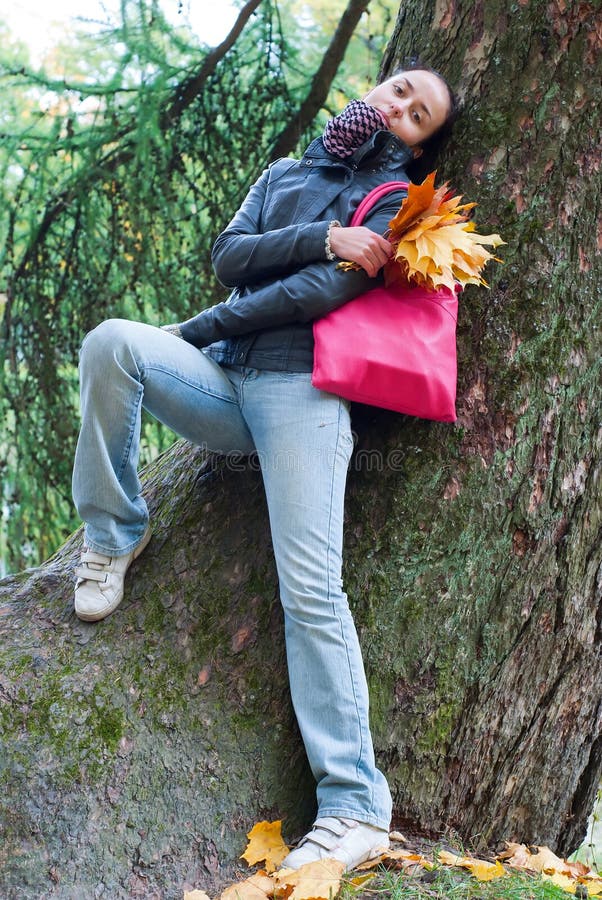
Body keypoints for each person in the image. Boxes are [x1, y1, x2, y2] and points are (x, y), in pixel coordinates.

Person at [71, 66, 458, 871]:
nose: (400, 109)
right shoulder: (287, 172)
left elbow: (317, 295)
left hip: (302, 395)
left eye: (419, 116)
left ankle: (355, 805)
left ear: (421, 142)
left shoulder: (393, 201)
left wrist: (199, 327)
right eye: (400, 91)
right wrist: (318, 236)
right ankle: (113, 534)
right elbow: (231, 255)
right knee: (112, 341)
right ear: (377, 86)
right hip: (223, 381)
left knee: (311, 589)